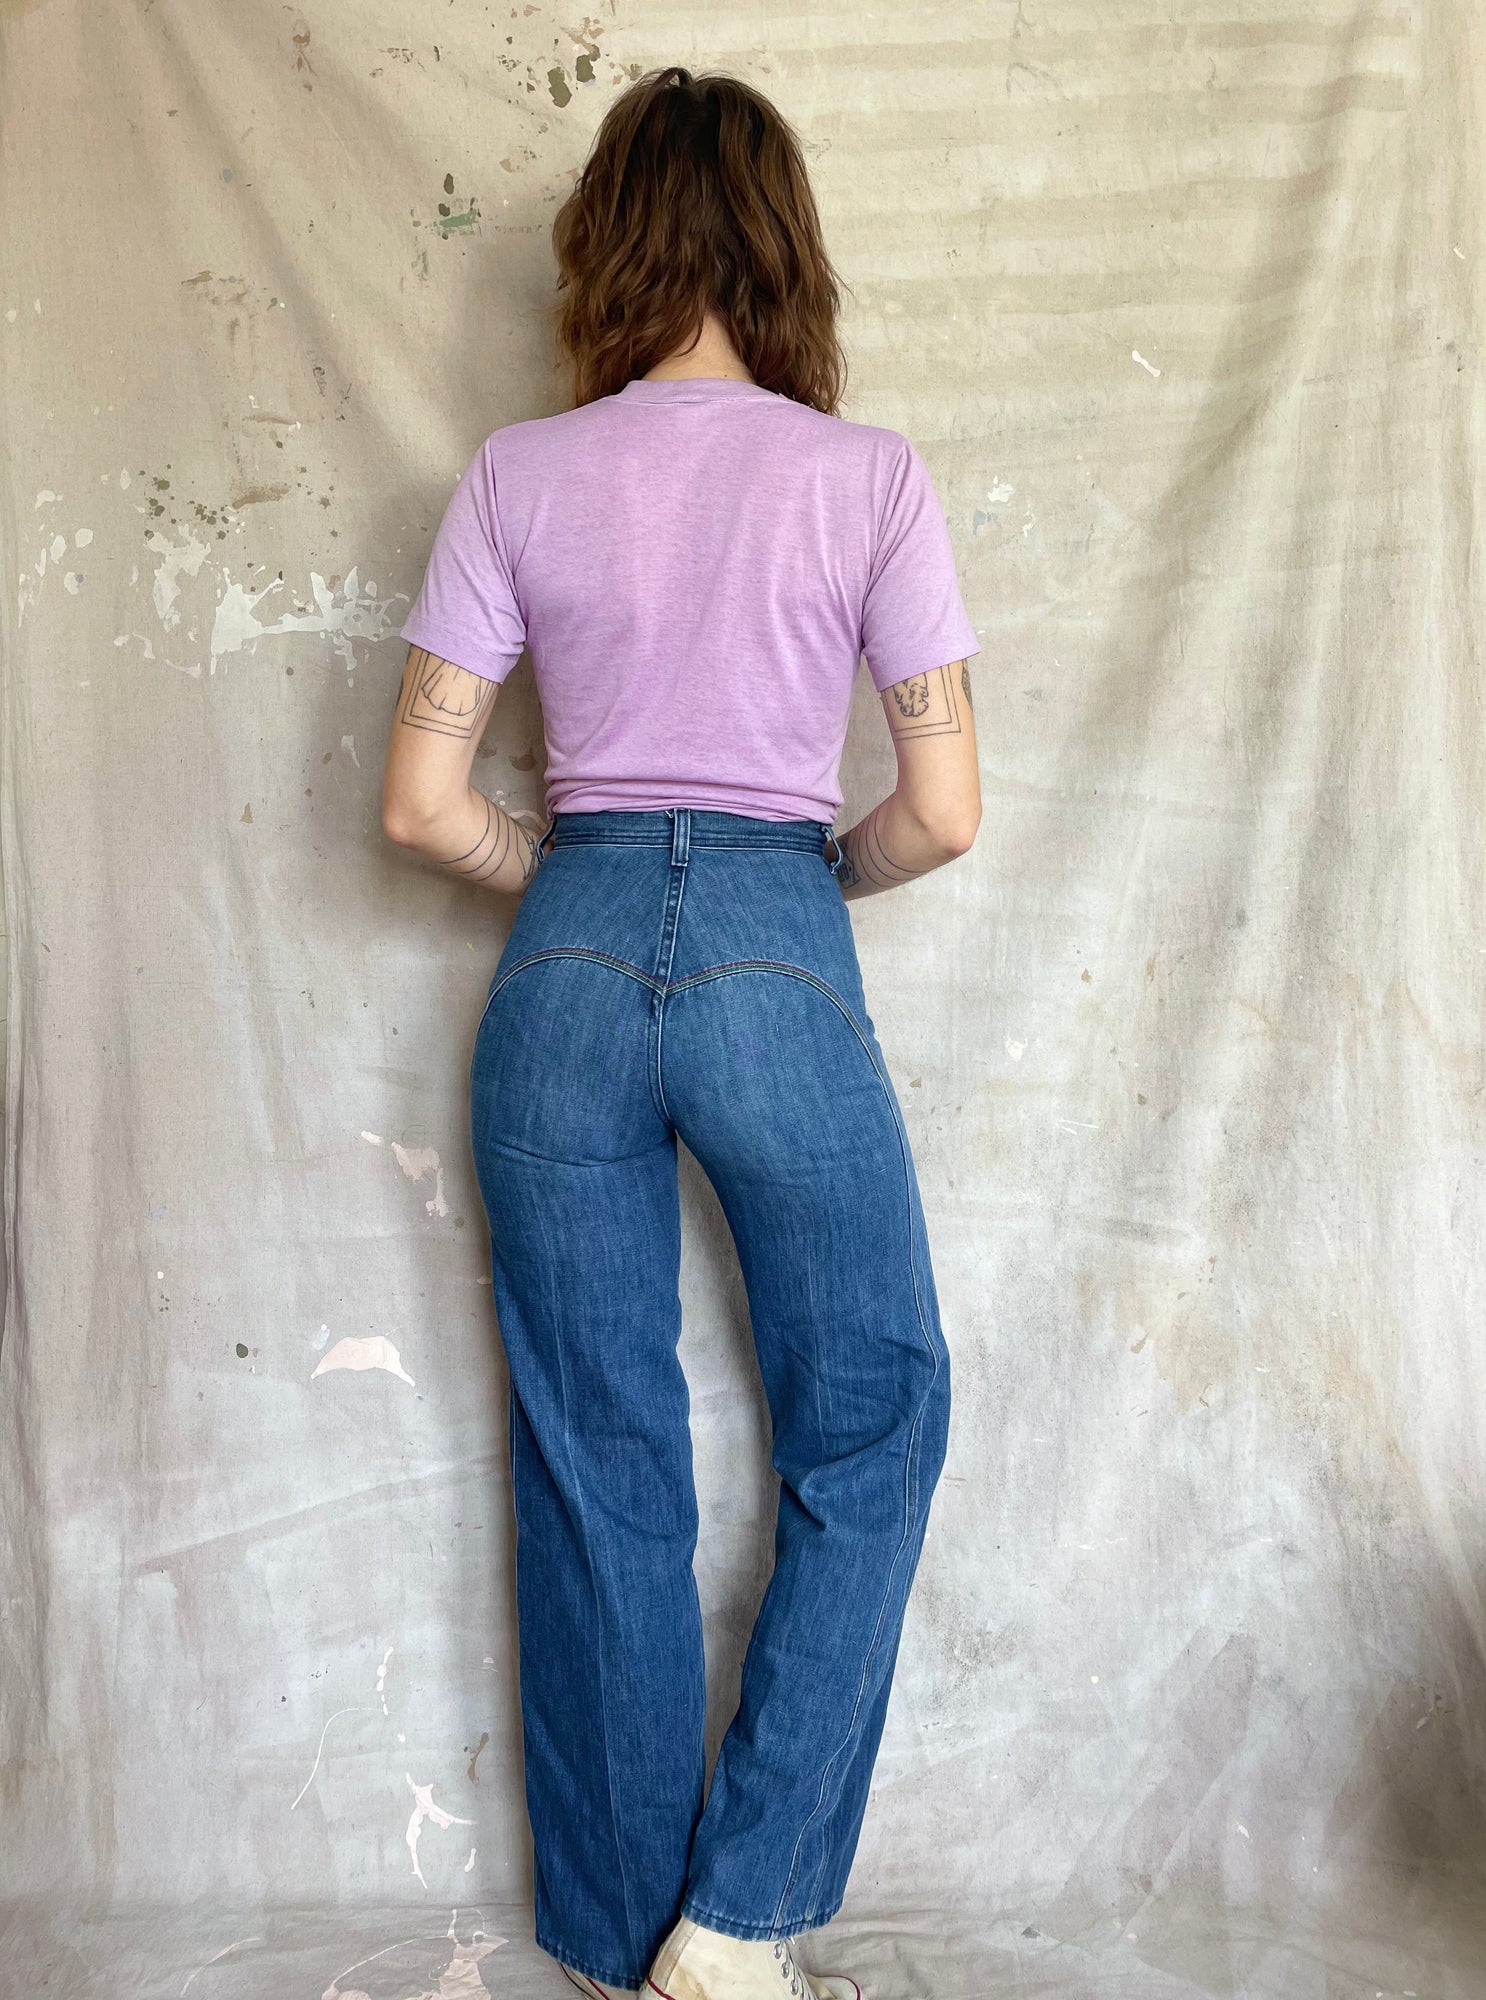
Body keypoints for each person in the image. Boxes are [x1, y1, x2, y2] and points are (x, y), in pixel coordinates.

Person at [380, 64, 981, 2000]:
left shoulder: (516, 473)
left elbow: (422, 805)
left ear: (605, 247)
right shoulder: (867, 478)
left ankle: (616, 1936)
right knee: (871, 1416)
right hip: (775, 938)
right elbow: (943, 812)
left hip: (560, 958)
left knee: (595, 1450)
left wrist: (566, 877)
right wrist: (797, 900)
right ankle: (739, 1921)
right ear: (786, 246)